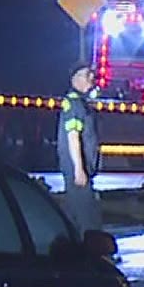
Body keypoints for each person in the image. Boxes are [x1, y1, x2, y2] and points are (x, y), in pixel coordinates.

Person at [58, 63, 102, 233]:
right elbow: (73, 136)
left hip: (81, 168)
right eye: (86, 75)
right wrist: (79, 169)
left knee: (73, 215)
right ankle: (94, 254)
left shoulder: (82, 103)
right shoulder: (74, 104)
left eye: (92, 75)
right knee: (87, 218)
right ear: (74, 78)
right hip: (76, 169)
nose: (91, 79)